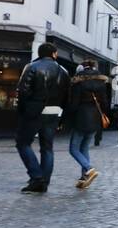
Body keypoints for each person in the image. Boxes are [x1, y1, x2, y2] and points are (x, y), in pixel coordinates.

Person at [16, 44, 69, 194]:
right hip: (54, 112)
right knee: (47, 147)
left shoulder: (32, 67)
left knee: (23, 143)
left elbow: (23, 91)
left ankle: (36, 177)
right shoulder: (63, 71)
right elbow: (67, 96)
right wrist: (62, 115)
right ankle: (44, 182)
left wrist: (23, 111)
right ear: (54, 54)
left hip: (34, 111)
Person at [68, 59, 111, 189]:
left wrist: (66, 118)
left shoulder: (78, 83)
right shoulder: (101, 83)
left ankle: (89, 169)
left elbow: (74, 104)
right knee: (84, 147)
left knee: (73, 148)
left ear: (82, 68)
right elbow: (105, 103)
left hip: (81, 118)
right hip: (95, 118)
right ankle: (84, 177)